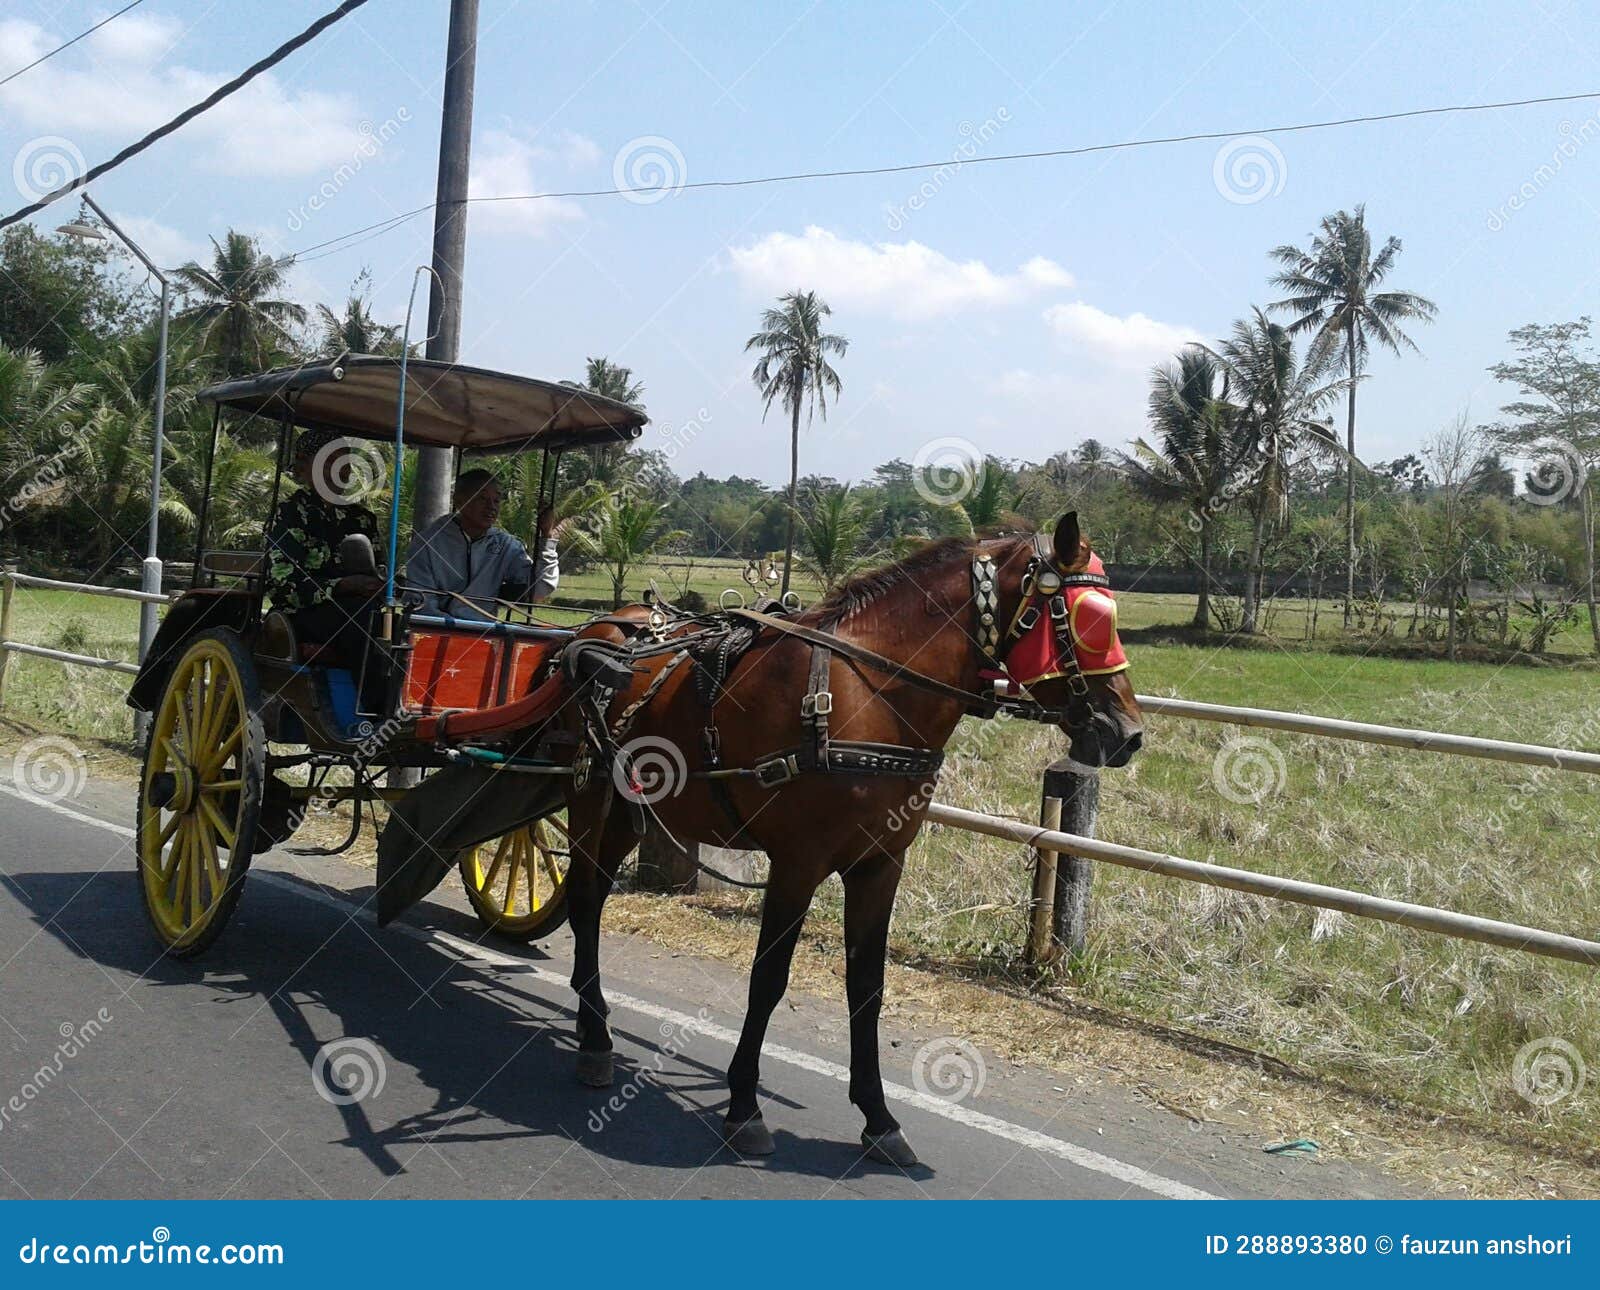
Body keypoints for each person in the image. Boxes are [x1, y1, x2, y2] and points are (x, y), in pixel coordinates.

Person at [263, 428, 383, 665]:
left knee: (400, 623)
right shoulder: (290, 513)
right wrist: (341, 585)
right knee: (366, 622)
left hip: (361, 608)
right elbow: (282, 586)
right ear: (305, 467)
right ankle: (374, 701)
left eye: (346, 461)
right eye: (331, 461)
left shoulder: (363, 519)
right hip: (304, 613)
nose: (342, 469)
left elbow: (379, 568)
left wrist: (381, 583)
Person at [405, 468, 558, 622]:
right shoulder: (427, 544)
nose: (491, 507)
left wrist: (547, 536)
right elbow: (422, 607)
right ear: (459, 501)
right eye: (482, 498)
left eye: (496, 500)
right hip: (438, 633)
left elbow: (540, 589)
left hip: (486, 635)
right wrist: (458, 632)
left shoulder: (505, 545)